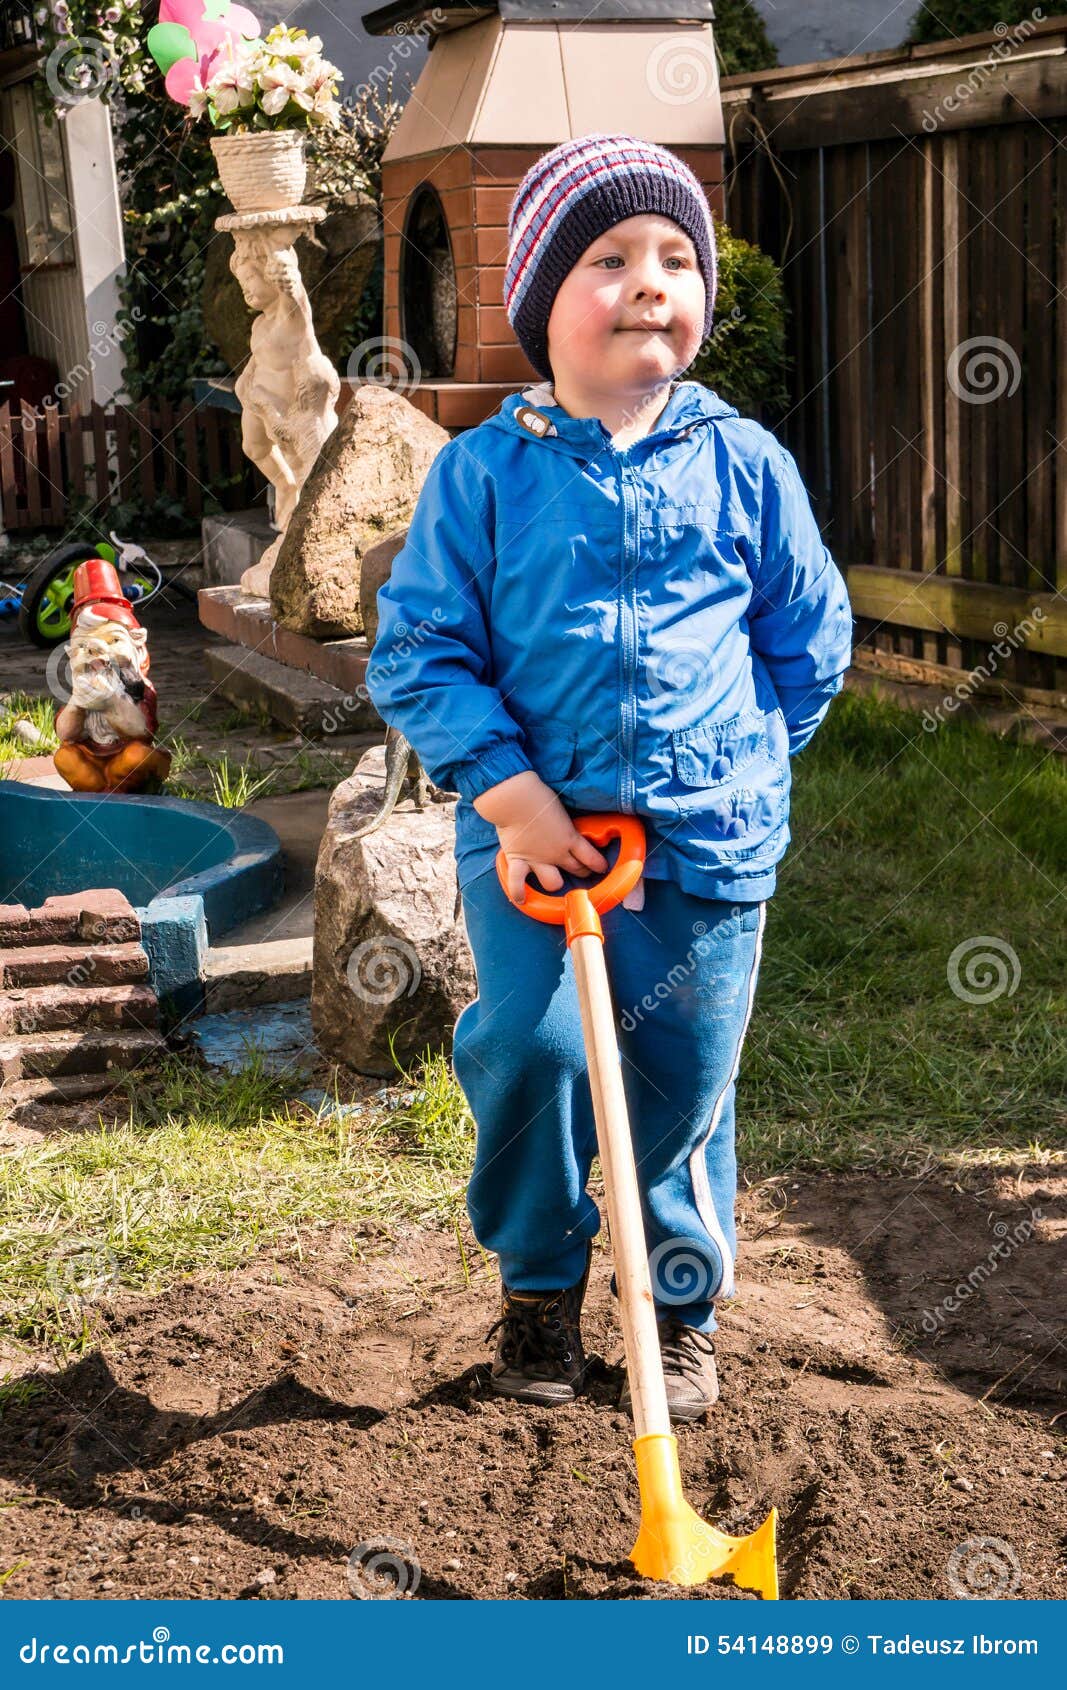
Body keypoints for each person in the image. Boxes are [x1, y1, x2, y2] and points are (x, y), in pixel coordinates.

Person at [366, 133, 853, 1421]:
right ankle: (537, 1295)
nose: (652, 279)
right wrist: (512, 796)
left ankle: (678, 1311)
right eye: (611, 257)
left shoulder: (749, 466)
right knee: (532, 1059)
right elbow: (419, 650)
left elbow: (811, 641)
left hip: (702, 843)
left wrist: (742, 768)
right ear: (539, 307)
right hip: (535, 835)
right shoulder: (483, 475)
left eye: (677, 257)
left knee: (682, 1079)